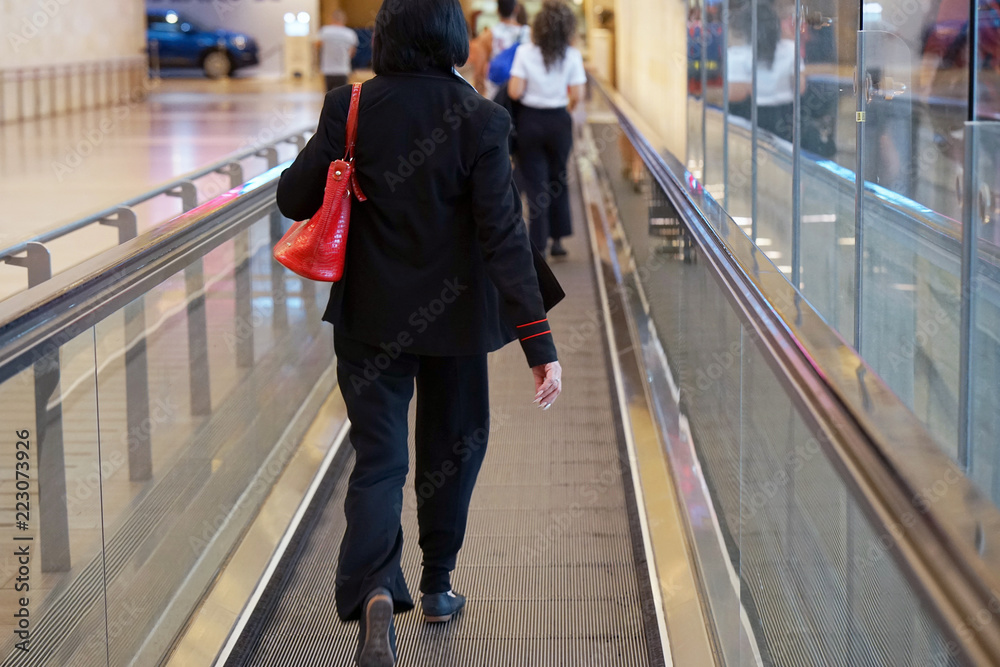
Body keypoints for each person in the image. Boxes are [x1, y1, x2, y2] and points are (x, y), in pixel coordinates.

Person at [276, 0, 563, 664]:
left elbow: (294, 198)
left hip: (369, 320)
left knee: (379, 460)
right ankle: (436, 584)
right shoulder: (484, 121)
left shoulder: (349, 108)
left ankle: (376, 590)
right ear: (456, 39)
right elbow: (504, 236)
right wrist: (537, 345)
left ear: (386, 37)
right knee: (454, 447)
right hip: (458, 322)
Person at [507, 0, 586, 257]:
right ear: (567, 29)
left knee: (535, 183)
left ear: (538, 27)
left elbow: (514, 91)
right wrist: (565, 104)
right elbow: (578, 94)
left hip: (530, 122)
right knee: (558, 179)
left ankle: (537, 244)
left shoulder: (525, 52)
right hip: (559, 122)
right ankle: (559, 241)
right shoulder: (572, 55)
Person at [726, 1, 803, 142]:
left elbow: (735, 94)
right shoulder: (790, 49)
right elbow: (801, 87)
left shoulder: (737, 55)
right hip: (786, 117)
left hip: (751, 118)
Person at [319, 10, 358, 90]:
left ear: (332, 19)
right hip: (343, 70)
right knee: (342, 96)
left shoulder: (325, 31)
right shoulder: (350, 33)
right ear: (344, 20)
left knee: (329, 95)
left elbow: (317, 45)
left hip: (328, 70)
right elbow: (352, 52)